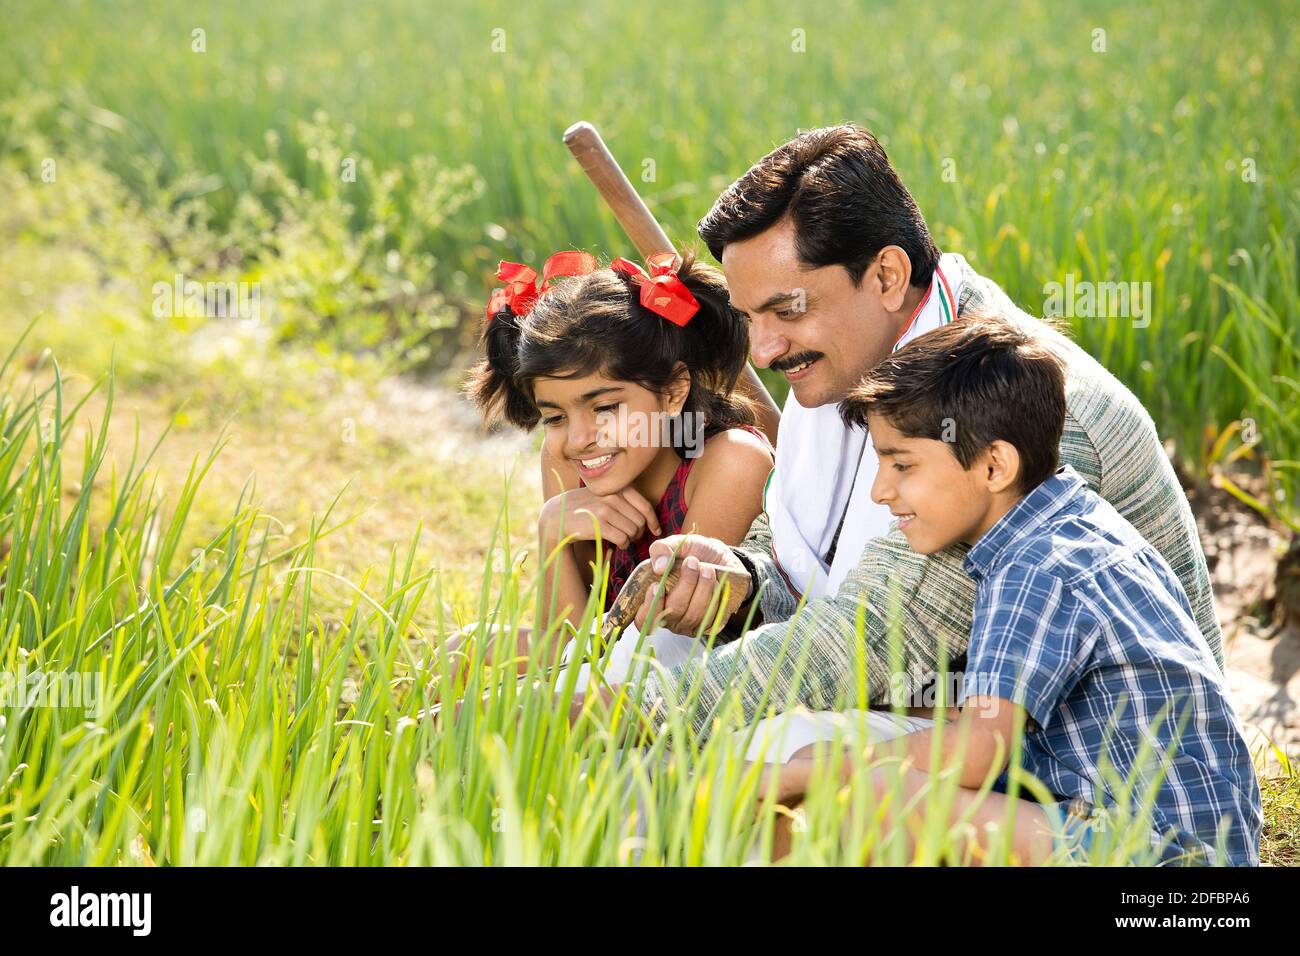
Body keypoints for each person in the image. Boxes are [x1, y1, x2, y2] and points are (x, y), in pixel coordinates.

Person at [605, 125, 1222, 754]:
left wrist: (625, 712)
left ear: (888, 276)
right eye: (749, 318)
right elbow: (798, 561)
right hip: (928, 690)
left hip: (1088, 763)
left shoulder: (1006, 405)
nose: (763, 350)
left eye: (787, 311)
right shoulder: (843, 362)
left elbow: (871, 640)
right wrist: (741, 581)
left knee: (775, 748)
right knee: (654, 644)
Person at [760, 316, 1261, 865]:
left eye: (902, 464)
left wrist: (807, 769)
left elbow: (978, 751)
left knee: (875, 792)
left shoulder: (1036, 568)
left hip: (1162, 859)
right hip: (1151, 838)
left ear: (995, 465)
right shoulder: (1073, 526)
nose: (882, 491)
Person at [462, 249, 773, 676]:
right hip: (603, 664)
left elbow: (661, 652)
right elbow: (564, 647)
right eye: (555, 417)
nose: (580, 438)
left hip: (696, 690)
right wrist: (553, 529)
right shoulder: (566, 458)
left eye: (606, 409)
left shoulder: (730, 462)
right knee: (462, 652)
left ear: (672, 392)